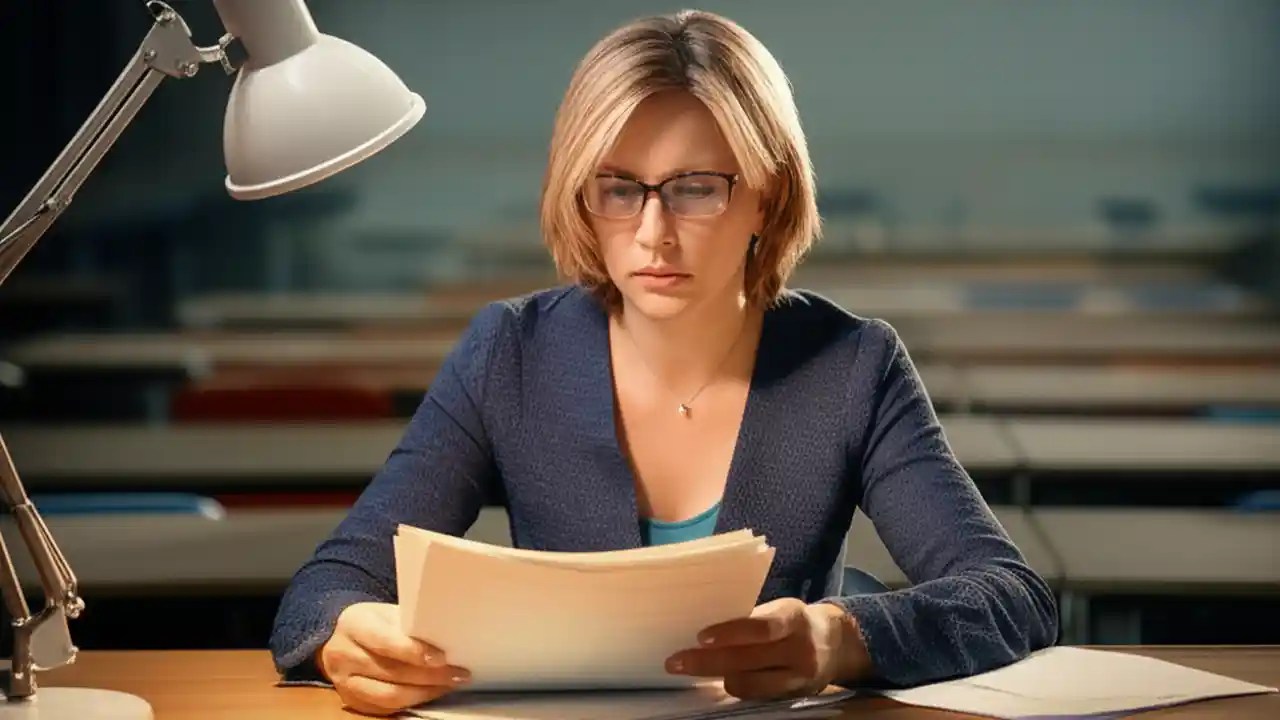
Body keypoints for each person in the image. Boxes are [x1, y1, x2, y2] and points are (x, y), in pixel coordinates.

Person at [269, 9, 1058, 716]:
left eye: (695, 188)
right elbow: (324, 591)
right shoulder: (508, 352)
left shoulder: (854, 366)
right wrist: (350, 634)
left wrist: (837, 638)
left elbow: (1010, 596)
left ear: (768, 199)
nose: (653, 232)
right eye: (619, 188)